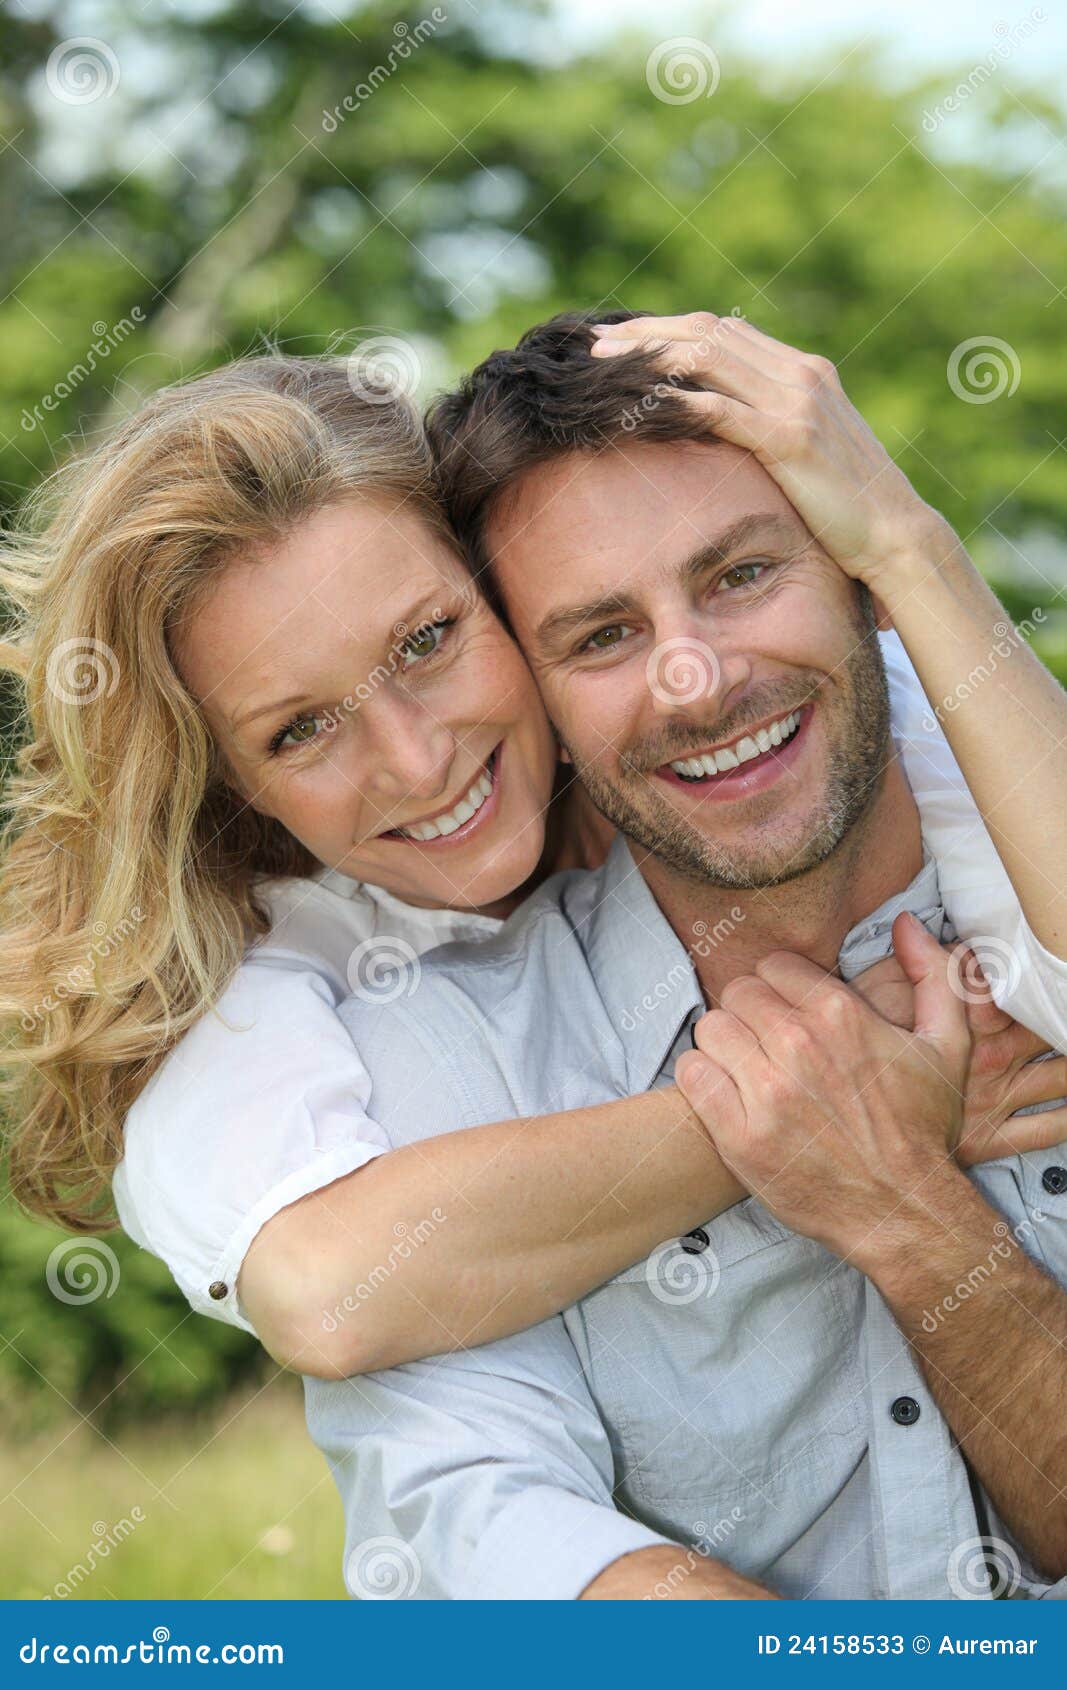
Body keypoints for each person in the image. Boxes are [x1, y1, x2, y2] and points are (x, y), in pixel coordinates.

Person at [0, 344, 1061, 1393]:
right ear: (230, 786)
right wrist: (829, 1099)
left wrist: (909, 547)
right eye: (300, 729)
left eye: (425, 640)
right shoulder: (278, 961)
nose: (416, 762)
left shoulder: (833, 718)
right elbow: (323, 1289)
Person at [303, 309, 1067, 1600]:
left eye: (740, 574)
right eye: (599, 635)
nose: (694, 679)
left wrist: (911, 1216)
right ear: (529, 694)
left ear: (856, 575)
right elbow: (482, 1525)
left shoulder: (1029, 888)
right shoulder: (454, 1054)